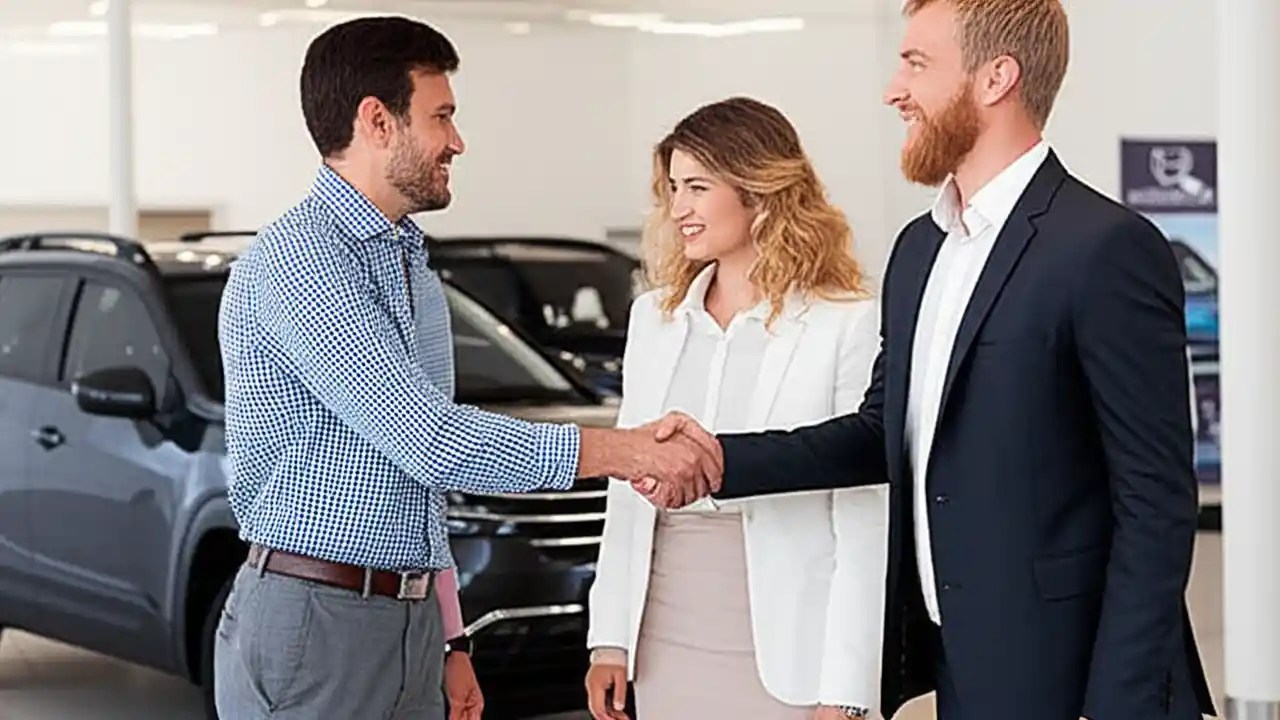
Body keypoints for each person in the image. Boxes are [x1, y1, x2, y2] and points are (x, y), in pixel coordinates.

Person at [637, 2, 1217, 719]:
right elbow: (881, 433)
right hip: (961, 662)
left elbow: (1155, 501)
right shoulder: (920, 249)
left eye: (916, 63)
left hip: (1074, 674)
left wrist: (1119, 704)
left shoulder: (1104, 247)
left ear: (996, 77)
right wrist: (719, 459)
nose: (894, 91)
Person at [213, 16, 720, 720]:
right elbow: (430, 439)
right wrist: (628, 451)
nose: (457, 141)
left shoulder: (410, 266)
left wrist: (450, 636)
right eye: (441, 116)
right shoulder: (302, 262)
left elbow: (415, 484)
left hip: (410, 618)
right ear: (377, 121)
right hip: (316, 622)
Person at [584, 97, 889, 720]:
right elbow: (626, 490)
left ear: (760, 191)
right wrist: (609, 638)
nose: (679, 209)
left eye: (698, 187)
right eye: (673, 188)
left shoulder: (848, 321)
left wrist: (848, 690)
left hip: (791, 644)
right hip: (664, 628)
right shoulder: (654, 319)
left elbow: (863, 518)